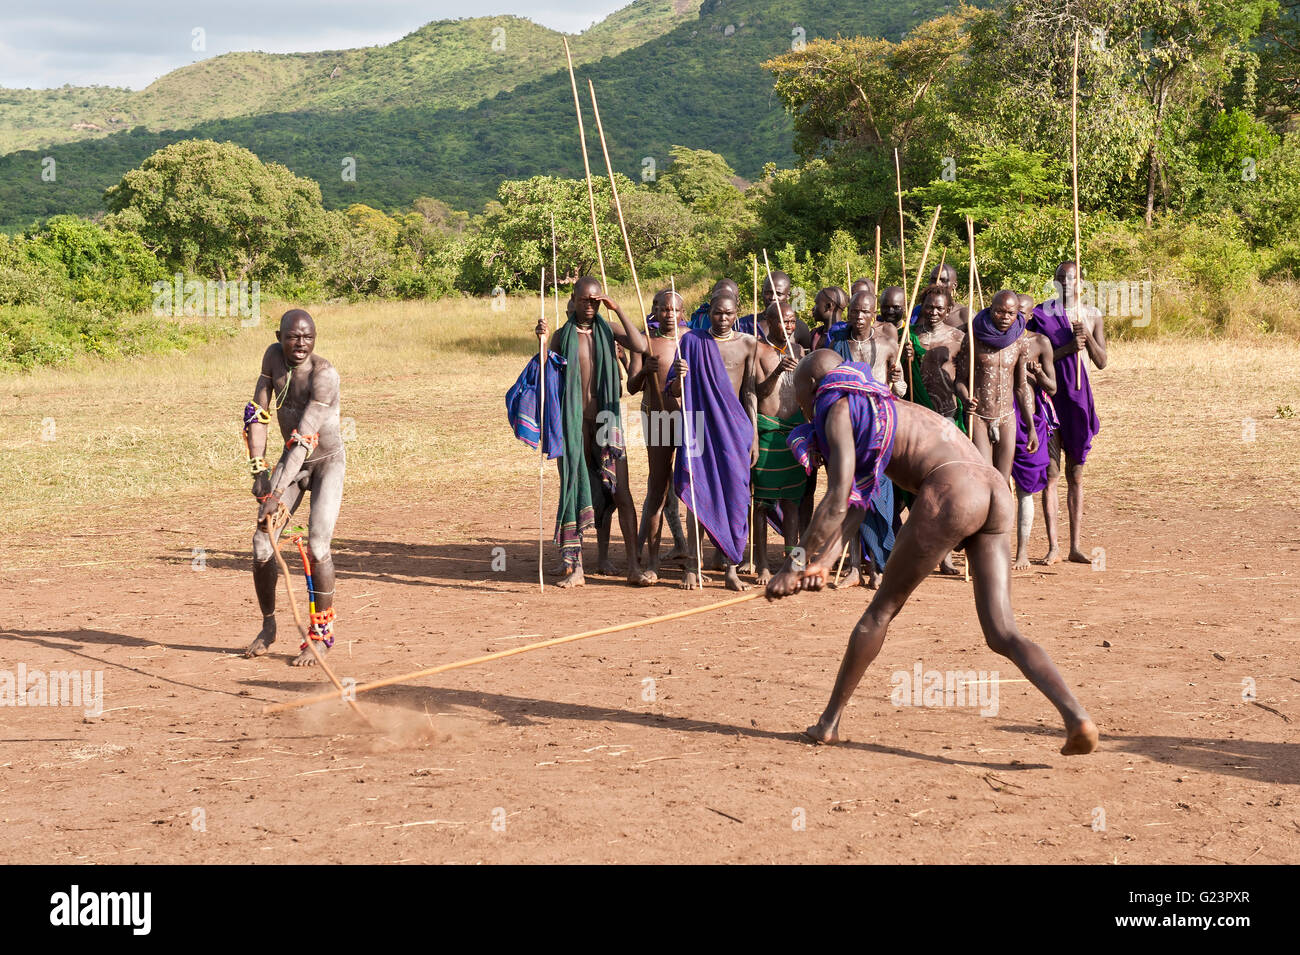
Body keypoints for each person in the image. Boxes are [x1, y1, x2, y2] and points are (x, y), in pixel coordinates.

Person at [765, 352, 1099, 756]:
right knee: (1002, 632)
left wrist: (793, 564)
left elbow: (836, 498)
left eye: (799, 393)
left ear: (813, 387)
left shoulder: (836, 404)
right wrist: (822, 562)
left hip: (954, 491)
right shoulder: (876, 404)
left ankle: (829, 722)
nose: (799, 404)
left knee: (879, 612)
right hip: (993, 489)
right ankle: (1075, 716)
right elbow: (857, 501)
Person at [535, 277, 652, 587]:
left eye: (595, 300)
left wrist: (618, 309)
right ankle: (577, 570)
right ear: (574, 299)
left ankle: (634, 568)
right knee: (575, 490)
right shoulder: (563, 336)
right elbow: (544, 375)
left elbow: (640, 345)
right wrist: (543, 341)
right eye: (585, 300)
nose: (590, 305)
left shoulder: (608, 329)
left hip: (606, 421)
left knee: (621, 491)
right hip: (574, 426)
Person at [244, 309, 346, 666]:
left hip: (324, 464)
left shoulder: (324, 375)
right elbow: (257, 413)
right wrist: (258, 468)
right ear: (279, 336)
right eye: (293, 337)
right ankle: (268, 626)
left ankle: (321, 635)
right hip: (291, 463)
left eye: (308, 337)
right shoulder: (272, 358)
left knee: (318, 547)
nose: (300, 344)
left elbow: (304, 439)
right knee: (261, 543)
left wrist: (274, 493)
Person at [665, 290, 758, 590]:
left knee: (736, 497)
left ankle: (731, 567)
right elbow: (673, 392)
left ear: (736, 314)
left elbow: (750, 393)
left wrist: (753, 435)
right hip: (698, 429)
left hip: (735, 432)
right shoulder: (691, 343)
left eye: (728, 313)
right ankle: (693, 564)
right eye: (717, 312)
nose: (722, 318)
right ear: (709, 312)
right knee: (697, 493)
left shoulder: (747, 344)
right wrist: (678, 376)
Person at [827, 290, 906, 587]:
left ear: (874, 314)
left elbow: (899, 391)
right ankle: (854, 568)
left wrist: (898, 378)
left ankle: (877, 567)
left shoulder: (887, 344)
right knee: (850, 496)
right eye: (854, 312)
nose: (858, 317)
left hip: (880, 430)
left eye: (864, 312)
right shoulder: (837, 346)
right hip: (848, 430)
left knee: (878, 498)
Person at [1030, 262, 1106, 565]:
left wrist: (1085, 333)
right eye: (1061, 278)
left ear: (1081, 282)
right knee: (1051, 474)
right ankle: (1053, 546)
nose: (1066, 283)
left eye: (1072, 278)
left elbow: (1102, 361)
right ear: (1054, 282)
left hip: (1078, 402)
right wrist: (1066, 348)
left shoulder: (1093, 314)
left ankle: (1075, 546)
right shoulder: (1040, 314)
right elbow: (1032, 358)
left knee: (1076, 474)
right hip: (1050, 399)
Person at [631, 289, 691, 583]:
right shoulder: (644, 341)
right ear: (653, 309)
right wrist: (645, 371)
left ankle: (693, 560)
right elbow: (631, 386)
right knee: (658, 486)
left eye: (674, 309)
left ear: (682, 311)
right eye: (663, 309)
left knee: (694, 484)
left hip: (693, 419)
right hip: (657, 417)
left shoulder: (692, 339)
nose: (668, 314)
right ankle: (651, 560)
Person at [954, 290, 1037, 479]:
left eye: (1011, 313)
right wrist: (965, 398)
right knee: (985, 477)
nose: (1005, 317)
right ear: (991, 309)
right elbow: (959, 381)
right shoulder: (974, 338)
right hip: (979, 417)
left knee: (1003, 479)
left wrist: (1031, 428)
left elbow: (1022, 387)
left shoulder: (1019, 341)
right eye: (1000, 311)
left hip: (1007, 417)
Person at [751, 302, 806, 584]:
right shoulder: (758, 350)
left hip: (793, 432)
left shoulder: (800, 350)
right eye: (782, 321)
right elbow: (758, 392)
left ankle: (793, 561)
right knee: (761, 503)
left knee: (792, 502)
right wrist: (776, 371)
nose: (788, 326)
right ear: (768, 322)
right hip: (768, 432)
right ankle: (761, 564)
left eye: (792, 321)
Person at [1011, 292, 1058, 569]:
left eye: (1022, 313)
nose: (1017, 317)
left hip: (1031, 417)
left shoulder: (1040, 343)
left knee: (1026, 488)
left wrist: (1037, 374)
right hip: (1002, 414)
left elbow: (1053, 388)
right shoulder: (998, 341)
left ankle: (1022, 552)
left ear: (1030, 316)